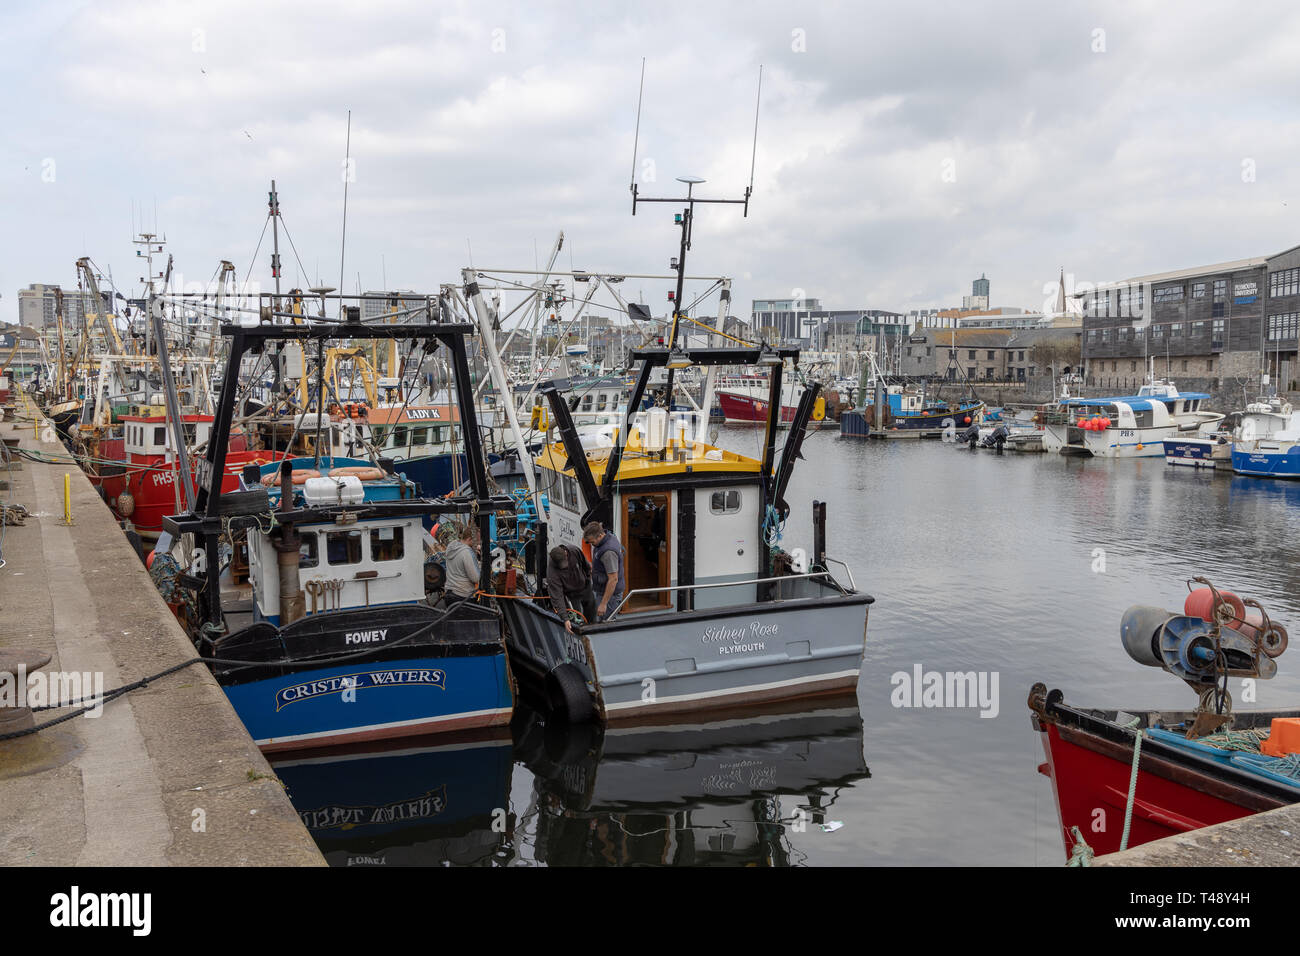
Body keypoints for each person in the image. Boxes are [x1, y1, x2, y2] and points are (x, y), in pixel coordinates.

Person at [546, 544, 595, 633]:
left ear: (566, 553)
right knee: (576, 617)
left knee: (591, 610)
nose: (564, 566)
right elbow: (557, 595)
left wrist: (587, 578)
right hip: (571, 594)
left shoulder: (574, 551)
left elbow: (586, 565)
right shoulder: (552, 571)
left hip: (585, 586)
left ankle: (593, 630)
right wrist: (565, 619)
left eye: (564, 562)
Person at [583, 521, 625, 622]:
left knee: (606, 622)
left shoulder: (608, 552)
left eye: (593, 542)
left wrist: (603, 604)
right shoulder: (609, 536)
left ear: (600, 535)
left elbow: (613, 579)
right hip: (602, 589)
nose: (592, 545)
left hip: (611, 596)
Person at [441, 523, 481, 604]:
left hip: (449, 595)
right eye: (477, 541)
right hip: (463, 597)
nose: (478, 544)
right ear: (470, 539)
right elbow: (476, 578)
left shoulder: (451, 546)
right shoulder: (466, 552)